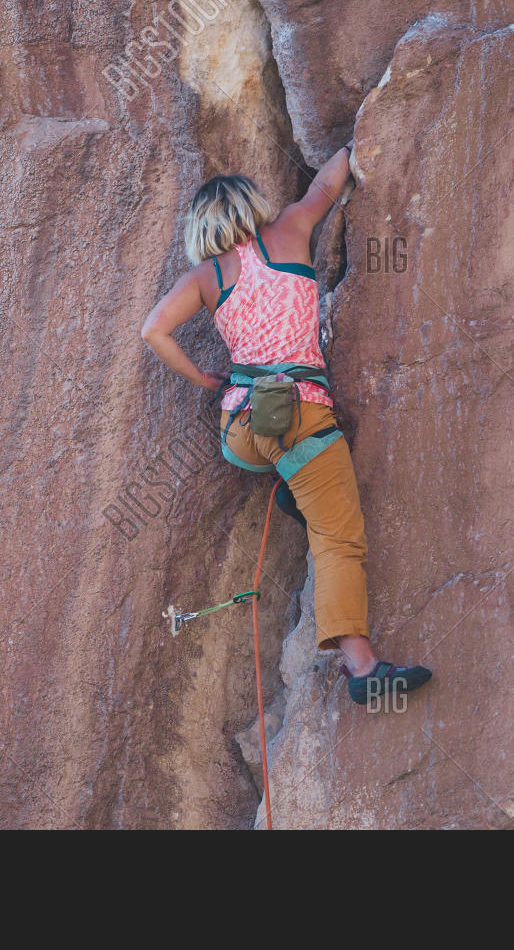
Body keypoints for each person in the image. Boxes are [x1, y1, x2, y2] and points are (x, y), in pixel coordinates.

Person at [140, 145, 432, 706]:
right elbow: (328, 183)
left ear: (202, 227)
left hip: (241, 432)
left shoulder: (204, 277)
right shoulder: (291, 229)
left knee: (295, 470)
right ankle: (363, 667)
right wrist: (353, 145)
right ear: (251, 204)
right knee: (337, 536)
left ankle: (293, 489)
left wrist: (205, 379)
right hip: (301, 417)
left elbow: (154, 329)